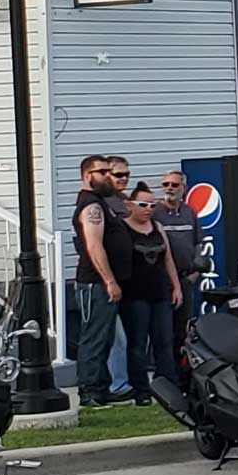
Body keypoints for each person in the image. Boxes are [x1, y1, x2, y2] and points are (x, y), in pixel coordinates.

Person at [73, 154, 133, 407]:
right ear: (88, 176)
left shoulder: (102, 202)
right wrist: (109, 281)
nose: (109, 176)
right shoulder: (91, 206)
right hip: (95, 283)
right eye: (103, 172)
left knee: (108, 337)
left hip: (105, 283)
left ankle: (104, 385)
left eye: (110, 171)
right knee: (94, 337)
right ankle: (89, 391)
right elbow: (94, 246)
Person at [119, 182, 184, 404]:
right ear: (130, 205)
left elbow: (168, 259)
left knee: (164, 340)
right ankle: (141, 389)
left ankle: (167, 384)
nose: (148, 209)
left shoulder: (157, 228)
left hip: (160, 293)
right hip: (134, 294)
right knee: (138, 343)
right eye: (143, 204)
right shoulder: (122, 228)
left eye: (152, 204)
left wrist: (176, 286)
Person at [152, 170, 202, 356]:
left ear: (184, 188)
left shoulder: (190, 212)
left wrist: (195, 274)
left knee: (183, 330)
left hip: (185, 280)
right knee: (163, 332)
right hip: (162, 282)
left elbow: (198, 243)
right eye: (166, 184)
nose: (169, 188)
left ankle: (181, 375)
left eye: (174, 185)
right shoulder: (155, 212)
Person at [104, 155, 133, 398]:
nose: (123, 179)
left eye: (126, 175)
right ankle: (117, 385)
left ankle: (129, 381)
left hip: (131, 278)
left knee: (131, 334)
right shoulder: (102, 205)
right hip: (107, 280)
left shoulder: (127, 201)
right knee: (115, 336)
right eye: (118, 175)